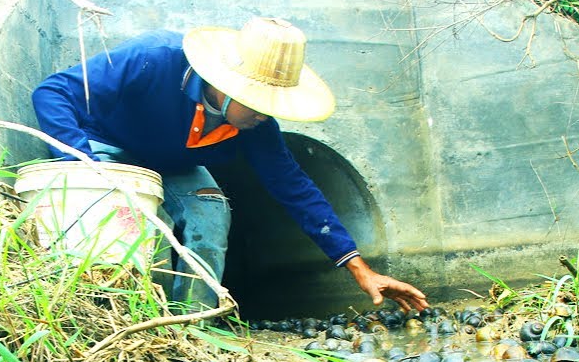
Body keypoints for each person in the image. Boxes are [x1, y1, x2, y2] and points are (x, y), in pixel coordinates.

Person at [31, 16, 429, 314]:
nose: (266, 114)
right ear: (224, 84)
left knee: (210, 212)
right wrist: (85, 167)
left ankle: (193, 326)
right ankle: (138, 318)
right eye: (259, 102)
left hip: (174, 163)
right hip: (107, 149)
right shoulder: (153, 60)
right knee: (146, 220)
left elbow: (294, 187)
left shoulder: (255, 123)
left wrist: (359, 268)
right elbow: (52, 93)